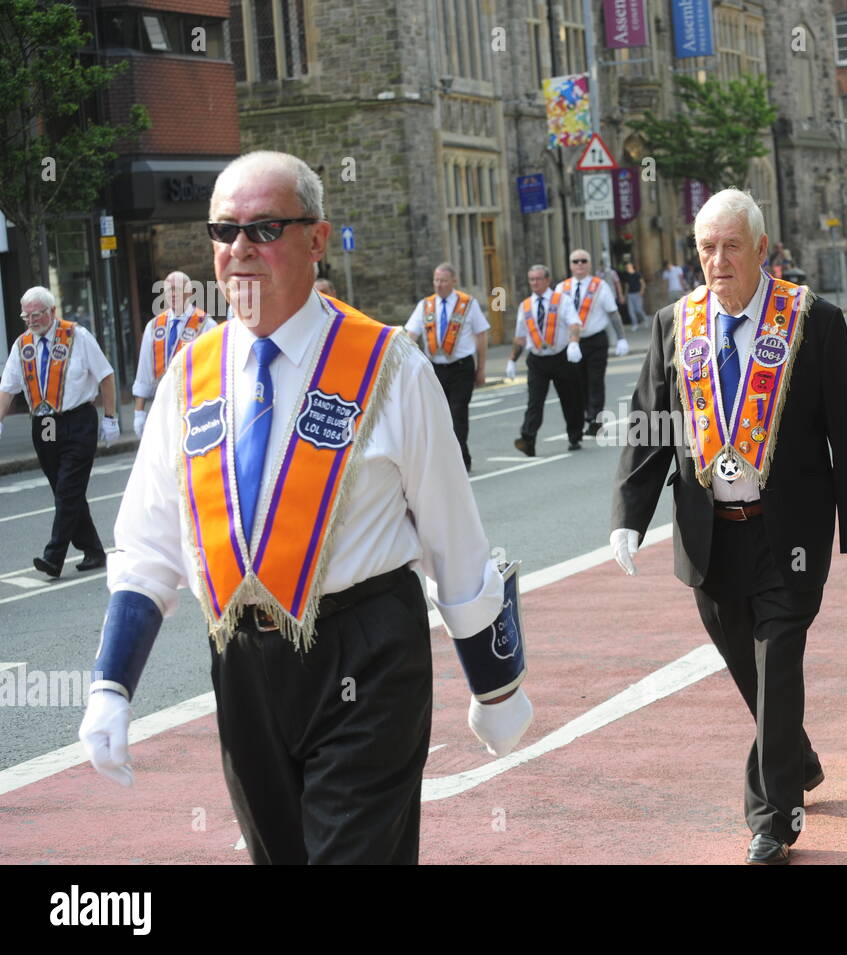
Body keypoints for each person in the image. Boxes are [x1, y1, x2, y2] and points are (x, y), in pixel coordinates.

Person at [75, 150, 532, 865]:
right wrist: (112, 681)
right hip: (244, 659)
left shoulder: (389, 364)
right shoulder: (189, 376)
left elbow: (453, 535)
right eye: (224, 231)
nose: (238, 250)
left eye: (264, 229)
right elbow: (149, 545)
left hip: (368, 649)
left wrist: (496, 686)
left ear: (317, 241)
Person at [610, 189, 847, 866]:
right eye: (706, 246)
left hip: (788, 529)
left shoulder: (810, 320)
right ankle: (799, 754)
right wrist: (628, 515)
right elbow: (652, 422)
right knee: (744, 661)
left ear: (761, 249)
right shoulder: (678, 323)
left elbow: (846, 430)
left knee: (778, 659)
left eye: (731, 245)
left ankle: (773, 819)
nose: (717, 259)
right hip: (710, 531)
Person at [0, 286, 119, 578]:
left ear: (52, 311)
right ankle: (92, 550)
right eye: (26, 316)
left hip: (78, 420)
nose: (31, 320)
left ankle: (53, 557)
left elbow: (106, 375)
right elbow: (7, 388)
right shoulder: (22, 345)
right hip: (46, 425)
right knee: (64, 490)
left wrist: (111, 417)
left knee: (68, 489)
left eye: (37, 314)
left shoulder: (77, 336)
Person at [404, 262, 489, 472]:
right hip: (435, 369)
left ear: (453, 281)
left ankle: (460, 459)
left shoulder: (468, 304)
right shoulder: (426, 305)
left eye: (443, 280)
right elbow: (411, 334)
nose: (438, 285)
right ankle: (446, 457)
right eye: (436, 280)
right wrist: (405, 358)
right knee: (436, 415)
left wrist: (481, 368)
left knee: (458, 412)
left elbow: (481, 335)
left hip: (461, 368)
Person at [506, 264, 584, 455]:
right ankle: (527, 440)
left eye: (538, 279)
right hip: (537, 361)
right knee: (534, 402)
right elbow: (520, 337)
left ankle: (574, 436)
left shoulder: (561, 300)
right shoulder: (525, 306)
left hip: (560, 358)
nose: (534, 283)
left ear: (547, 280)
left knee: (570, 399)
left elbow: (574, 323)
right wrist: (512, 360)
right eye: (531, 279)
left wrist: (573, 343)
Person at [132, 271, 217, 437]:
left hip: (194, 404)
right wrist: (139, 412)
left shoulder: (206, 325)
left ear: (190, 292)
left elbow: (213, 372)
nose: (172, 294)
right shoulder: (154, 326)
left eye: (177, 289)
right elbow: (144, 372)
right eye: (168, 289)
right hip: (162, 406)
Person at [558, 248, 628, 437]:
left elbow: (613, 313)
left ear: (589, 264)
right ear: (570, 265)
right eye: (575, 261)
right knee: (577, 382)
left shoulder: (600, 286)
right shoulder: (562, 288)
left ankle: (595, 420)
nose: (579, 264)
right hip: (573, 342)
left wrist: (621, 338)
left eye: (583, 261)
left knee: (595, 380)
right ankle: (581, 418)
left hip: (596, 340)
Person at [622, 260, 649, 330]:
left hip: (637, 293)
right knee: (631, 310)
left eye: (628, 267)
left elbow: (643, 283)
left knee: (638, 309)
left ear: (631, 267)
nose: (627, 268)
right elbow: (626, 286)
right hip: (630, 294)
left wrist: (642, 290)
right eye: (626, 267)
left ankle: (646, 319)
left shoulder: (637, 274)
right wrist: (625, 295)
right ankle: (635, 324)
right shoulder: (626, 276)